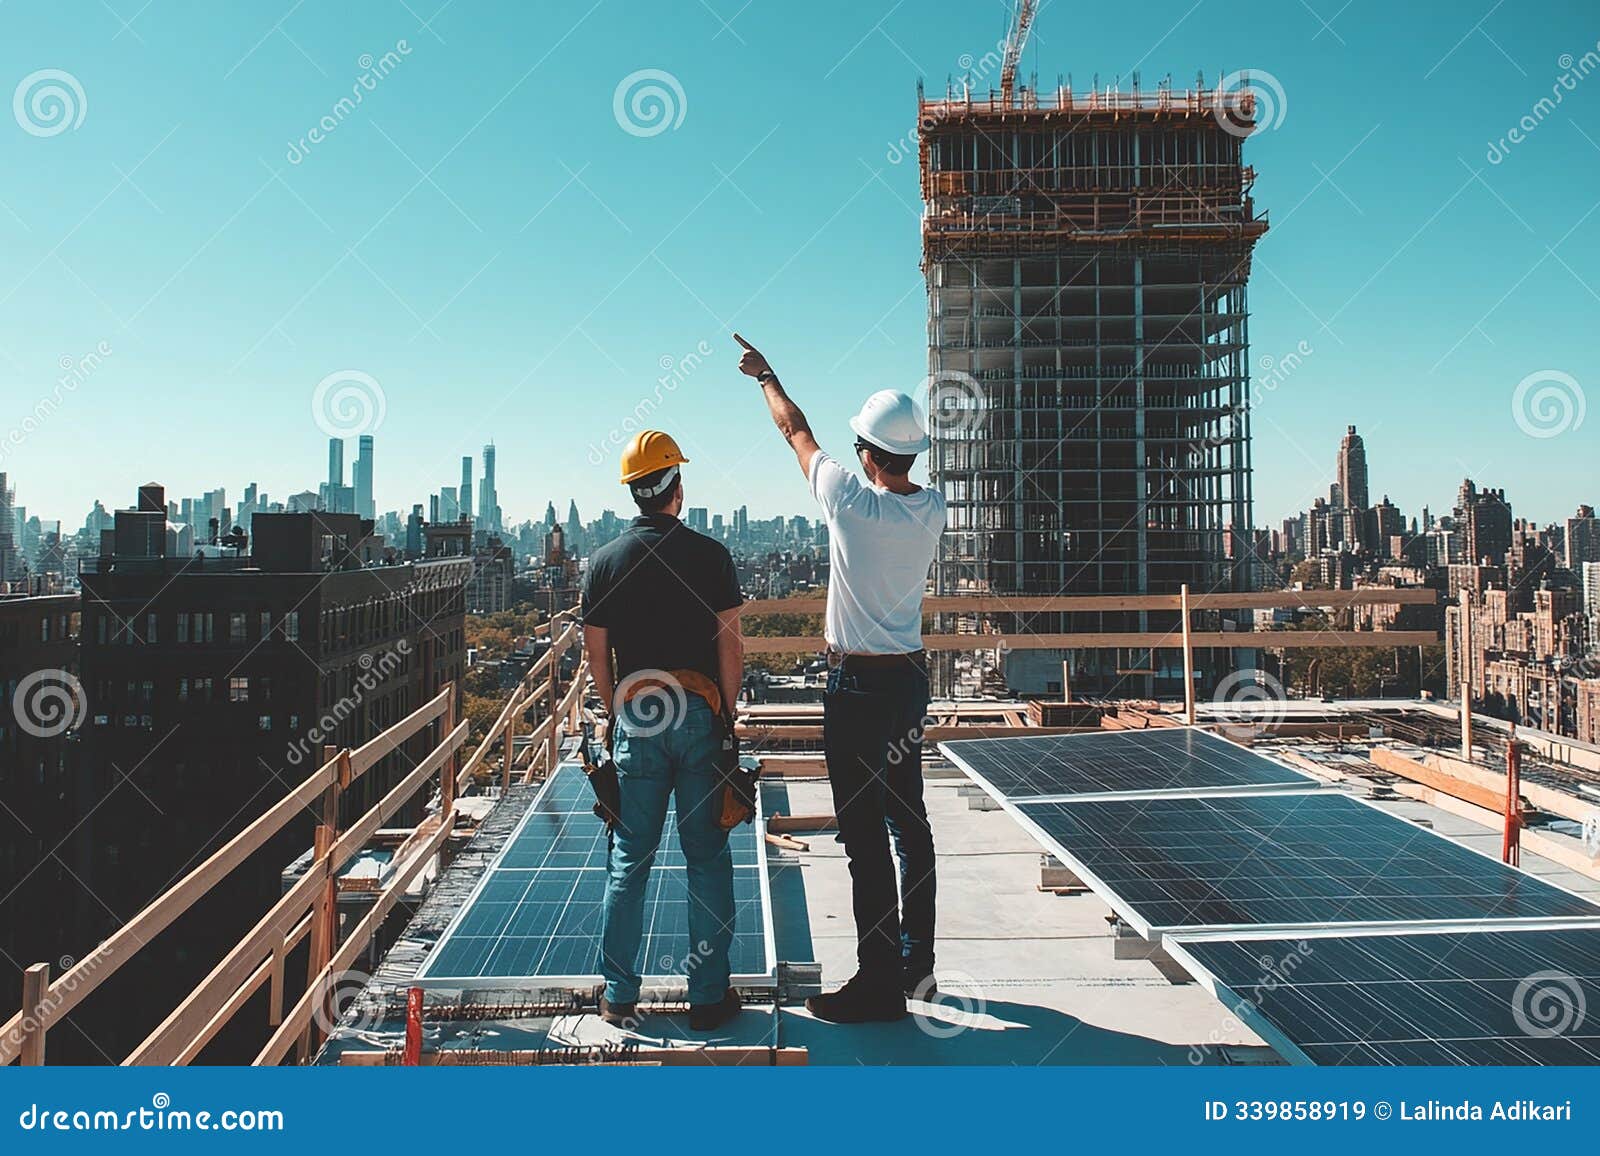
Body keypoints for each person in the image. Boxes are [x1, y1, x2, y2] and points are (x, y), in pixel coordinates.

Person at [735, 334, 946, 1023]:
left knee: (863, 838)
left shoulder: (849, 502)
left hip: (857, 690)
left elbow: (794, 430)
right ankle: (918, 967)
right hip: (910, 683)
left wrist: (767, 374)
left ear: (865, 453)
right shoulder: (934, 509)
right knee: (908, 824)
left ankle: (879, 984)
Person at [580, 429, 745, 1032]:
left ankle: (619, 996)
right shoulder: (710, 556)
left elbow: (597, 656)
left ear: (633, 491)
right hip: (699, 711)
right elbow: (730, 647)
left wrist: (615, 712)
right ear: (676, 486)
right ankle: (706, 998)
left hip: (639, 714)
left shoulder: (604, 562)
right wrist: (726, 719)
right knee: (705, 855)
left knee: (630, 857)